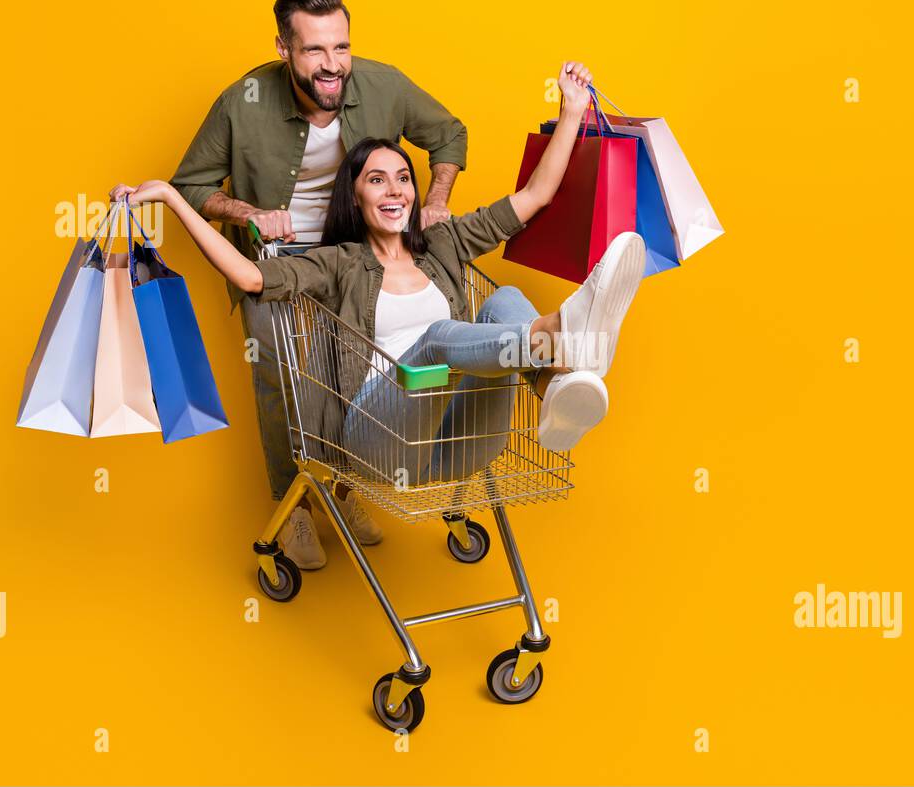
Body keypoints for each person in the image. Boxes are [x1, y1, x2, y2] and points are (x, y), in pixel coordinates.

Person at [112, 61, 645, 568]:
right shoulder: (339, 263)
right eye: (377, 180)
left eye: (403, 178)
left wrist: (573, 107)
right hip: (384, 444)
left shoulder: (443, 243)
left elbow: (536, 195)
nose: (395, 190)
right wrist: (170, 198)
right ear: (356, 196)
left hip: (461, 441)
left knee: (501, 300)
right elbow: (251, 277)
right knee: (436, 341)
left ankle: (556, 387)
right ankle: (557, 337)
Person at [151, 0, 468, 555]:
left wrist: (438, 196)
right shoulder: (241, 100)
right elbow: (191, 185)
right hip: (277, 264)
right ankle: (294, 504)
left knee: (350, 367)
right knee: (285, 382)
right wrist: (249, 213)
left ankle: (342, 491)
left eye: (341, 49)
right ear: (283, 48)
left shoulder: (382, 84)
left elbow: (448, 134)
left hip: (357, 258)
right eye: (314, 51)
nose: (332, 66)